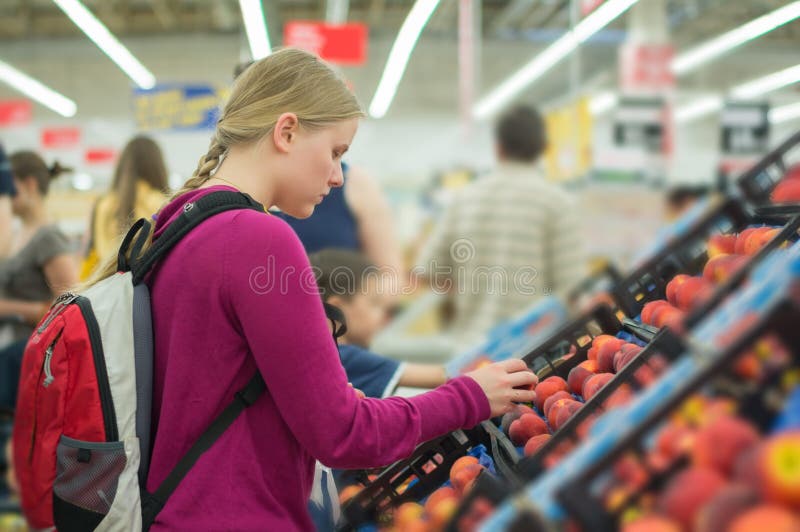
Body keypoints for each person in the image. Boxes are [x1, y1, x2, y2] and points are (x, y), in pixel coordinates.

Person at [84, 49, 535, 531]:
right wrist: (470, 396)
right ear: (287, 131)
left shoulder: (181, 223)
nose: (338, 176)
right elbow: (342, 433)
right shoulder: (258, 238)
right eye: (336, 152)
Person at [416, 105, 585, 346]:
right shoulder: (557, 203)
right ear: (543, 149)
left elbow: (428, 270)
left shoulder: (465, 198)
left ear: (498, 148)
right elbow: (572, 291)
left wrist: (468, 288)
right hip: (532, 354)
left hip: (470, 353)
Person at [310, 249, 446, 398]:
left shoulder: (317, 355)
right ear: (338, 307)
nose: (383, 316)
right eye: (374, 303)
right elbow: (443, 376)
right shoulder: (346, 356)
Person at [0, 151, 78, 408]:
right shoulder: (16, 233)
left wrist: (8, 309)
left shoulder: (48, 238)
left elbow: (69, 307)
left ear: (29, 185)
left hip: (26, 358)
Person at [82, 135, 169, 277]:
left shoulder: (102, 204)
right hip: (147, 288)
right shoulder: (162, 202)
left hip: (108, 286)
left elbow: (92, 252)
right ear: (157, 166)